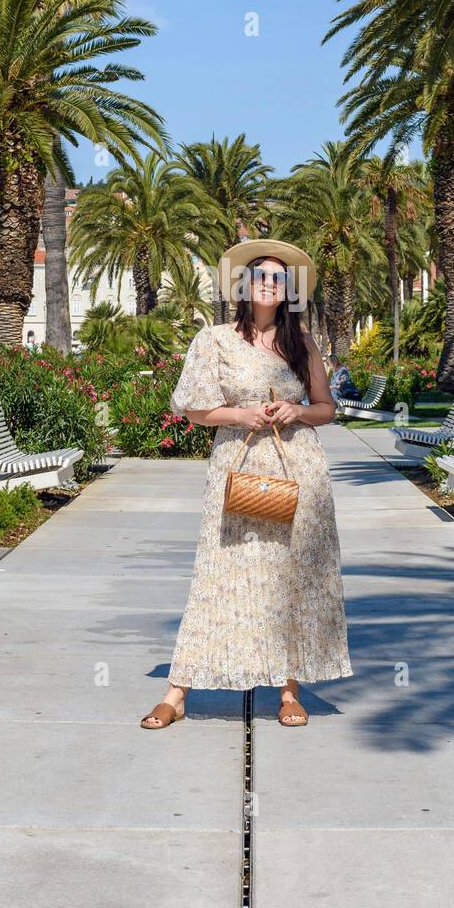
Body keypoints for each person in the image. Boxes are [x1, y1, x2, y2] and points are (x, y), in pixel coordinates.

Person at [140, 238, 353, 731]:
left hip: (295, 468)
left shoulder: (301, 344)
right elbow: (194, 408)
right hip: (237, 466)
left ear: (288, 290)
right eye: (261, 275)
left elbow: (326, 408)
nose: (270, 283)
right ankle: (177, 692)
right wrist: (242, 415)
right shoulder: (213, 340)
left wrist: (297, 410)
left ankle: (289, 691)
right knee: (219, 575)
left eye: (280, 277)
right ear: (243, 285)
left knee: (290, 578)